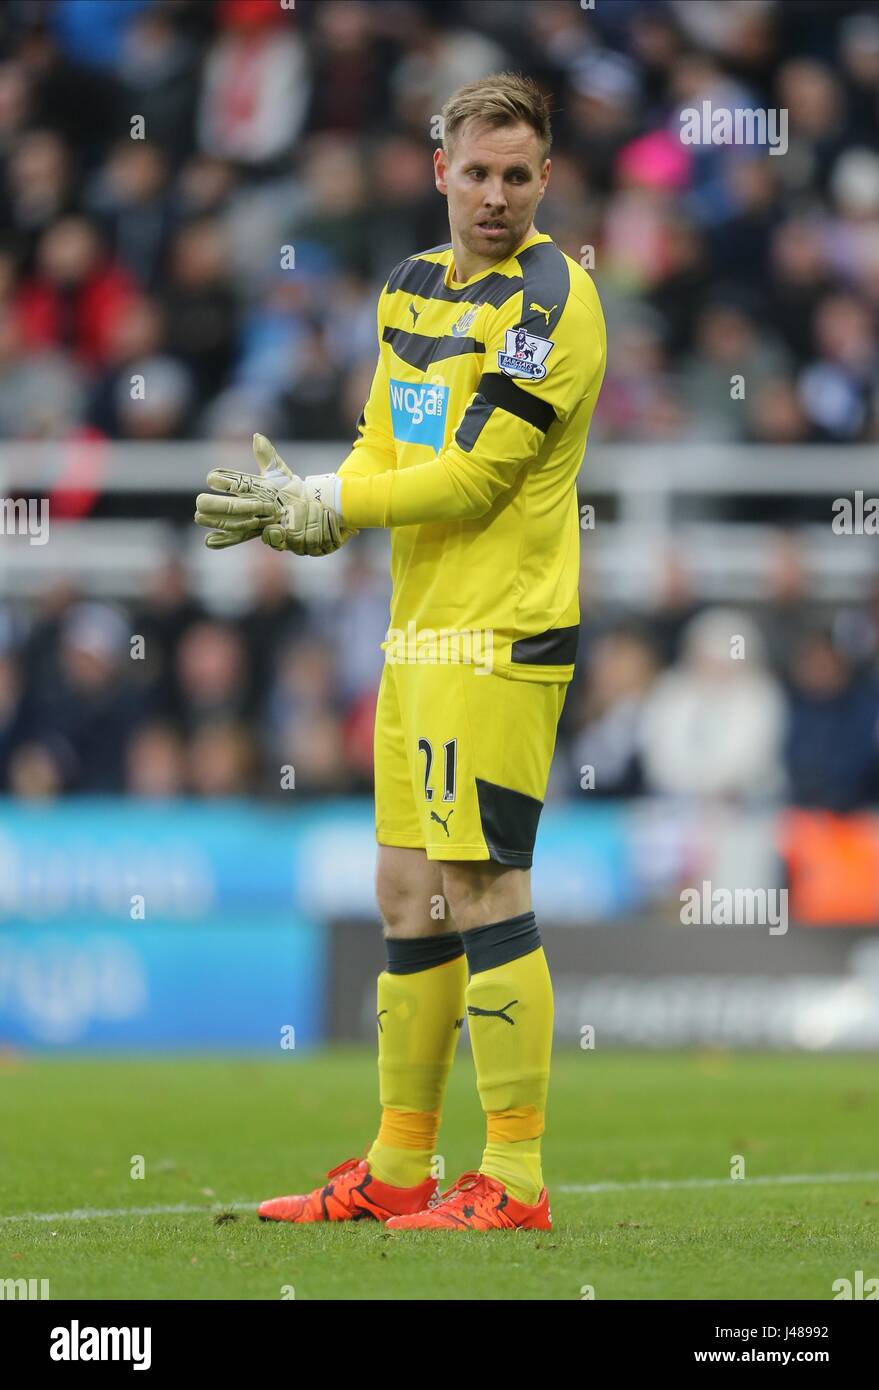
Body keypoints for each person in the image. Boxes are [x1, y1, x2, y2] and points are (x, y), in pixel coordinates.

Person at [195, 72, 606, 1232]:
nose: (496, 196)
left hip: (505, 627)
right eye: (476, 173)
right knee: (405, 891)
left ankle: (514, 1179)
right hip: (419, 629)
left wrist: (336, 503)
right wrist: (306, 511)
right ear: (439, 172)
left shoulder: (552, 300)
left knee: (482, 884)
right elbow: (387, 443)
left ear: (544, 181)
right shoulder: (407, 289)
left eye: (518, 176)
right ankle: (399, 1164)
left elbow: (481, 471)